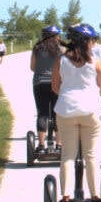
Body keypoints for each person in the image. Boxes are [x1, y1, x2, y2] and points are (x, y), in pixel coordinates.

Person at [52, 23, 101, 202]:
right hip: (90, 111)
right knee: (90, 154)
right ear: (87, 42)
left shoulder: (61, 61)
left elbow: (54, 86)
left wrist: (69, 95)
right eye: (91, 40)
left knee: (67, 155)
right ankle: (95, 195)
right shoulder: (95, 62)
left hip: (66, 110)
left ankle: (66, 196)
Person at [30, 25, 62, 153]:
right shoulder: (60, 50)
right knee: (57, 114)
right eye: (58, 36)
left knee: (42, 113)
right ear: (54, 37)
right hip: (56, 84)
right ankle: (59, 145)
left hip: (39, 83)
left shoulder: (36, 49)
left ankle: (42, 145)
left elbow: (32, 67)